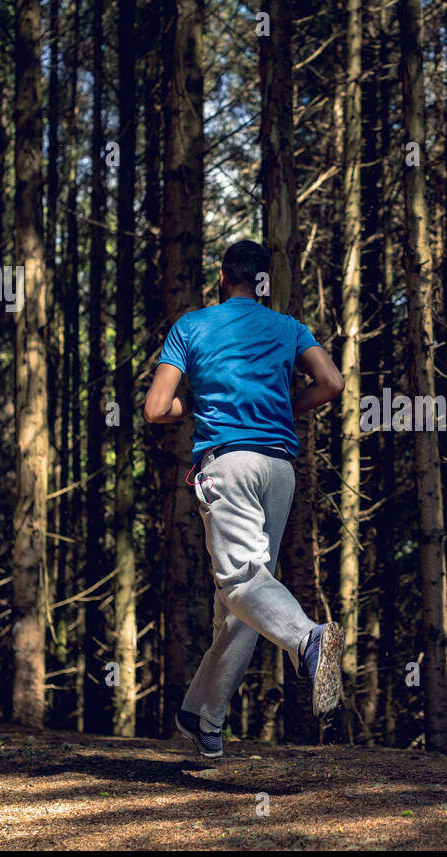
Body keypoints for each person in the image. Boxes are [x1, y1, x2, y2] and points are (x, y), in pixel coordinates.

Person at [144, 239, 345, 758]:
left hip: (227, 464)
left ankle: (308, 640)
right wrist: (288, 410)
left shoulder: (192, 326)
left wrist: (194, 407)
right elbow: (332, 382)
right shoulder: (288, 328)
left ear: (220, 278)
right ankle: (204, 716)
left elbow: (155, 407)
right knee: (246, 600)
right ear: (264, 283)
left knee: (240, 584)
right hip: (279, 468)